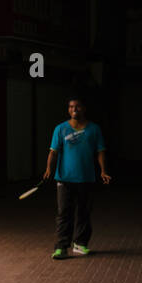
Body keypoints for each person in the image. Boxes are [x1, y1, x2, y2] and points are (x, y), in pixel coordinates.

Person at [44, 97, 110, 259]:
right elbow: (53, 151)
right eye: (71, 107)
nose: (74, 109)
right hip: (64, 178)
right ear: (68, 110)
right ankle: (61, 247)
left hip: (86, 178)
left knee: (84, 212)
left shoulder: (94, 129)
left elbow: (100, 151)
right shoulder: (60, 129)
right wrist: (48, 169)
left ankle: (80, 244)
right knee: (64, 213)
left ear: (84, 109)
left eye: (78, 106)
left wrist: (103, 170)